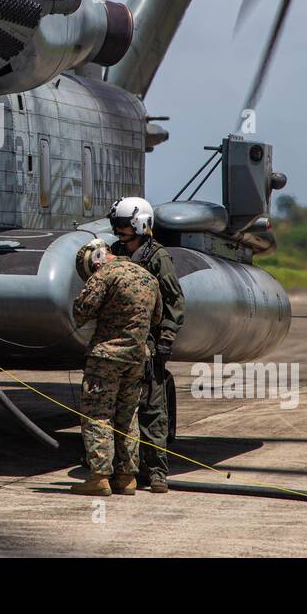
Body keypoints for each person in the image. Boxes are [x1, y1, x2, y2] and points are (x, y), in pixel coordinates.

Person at [70, 239, 162, 497]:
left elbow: (81, 311)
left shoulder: (105, 275)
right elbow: (156, 318)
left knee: (98, 414)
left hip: (106, 358)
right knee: (127, 415)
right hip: (136, 358)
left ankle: (99, 477)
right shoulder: (148, 278)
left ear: (96, 259)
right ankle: (126, 477)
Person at [108, 196, 185, 493]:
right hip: (120, 342)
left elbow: (175, 301)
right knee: (118, 408)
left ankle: (156, 472)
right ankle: (122, 467)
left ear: (140, 224)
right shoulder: (115, 253)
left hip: (149, 344)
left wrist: (166, 338)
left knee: (153, 409)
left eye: (124, 225)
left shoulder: (157, 257)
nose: (119, 231)